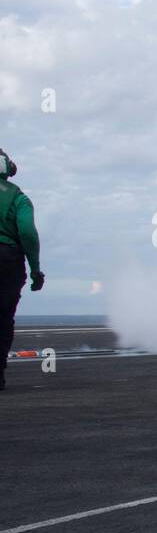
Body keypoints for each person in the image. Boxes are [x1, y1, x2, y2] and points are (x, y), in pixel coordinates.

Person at [0, 148, 45, 392]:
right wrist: (35, 269)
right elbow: (27, 232)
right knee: (3, 320)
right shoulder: (19, 199)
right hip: (7, 262)